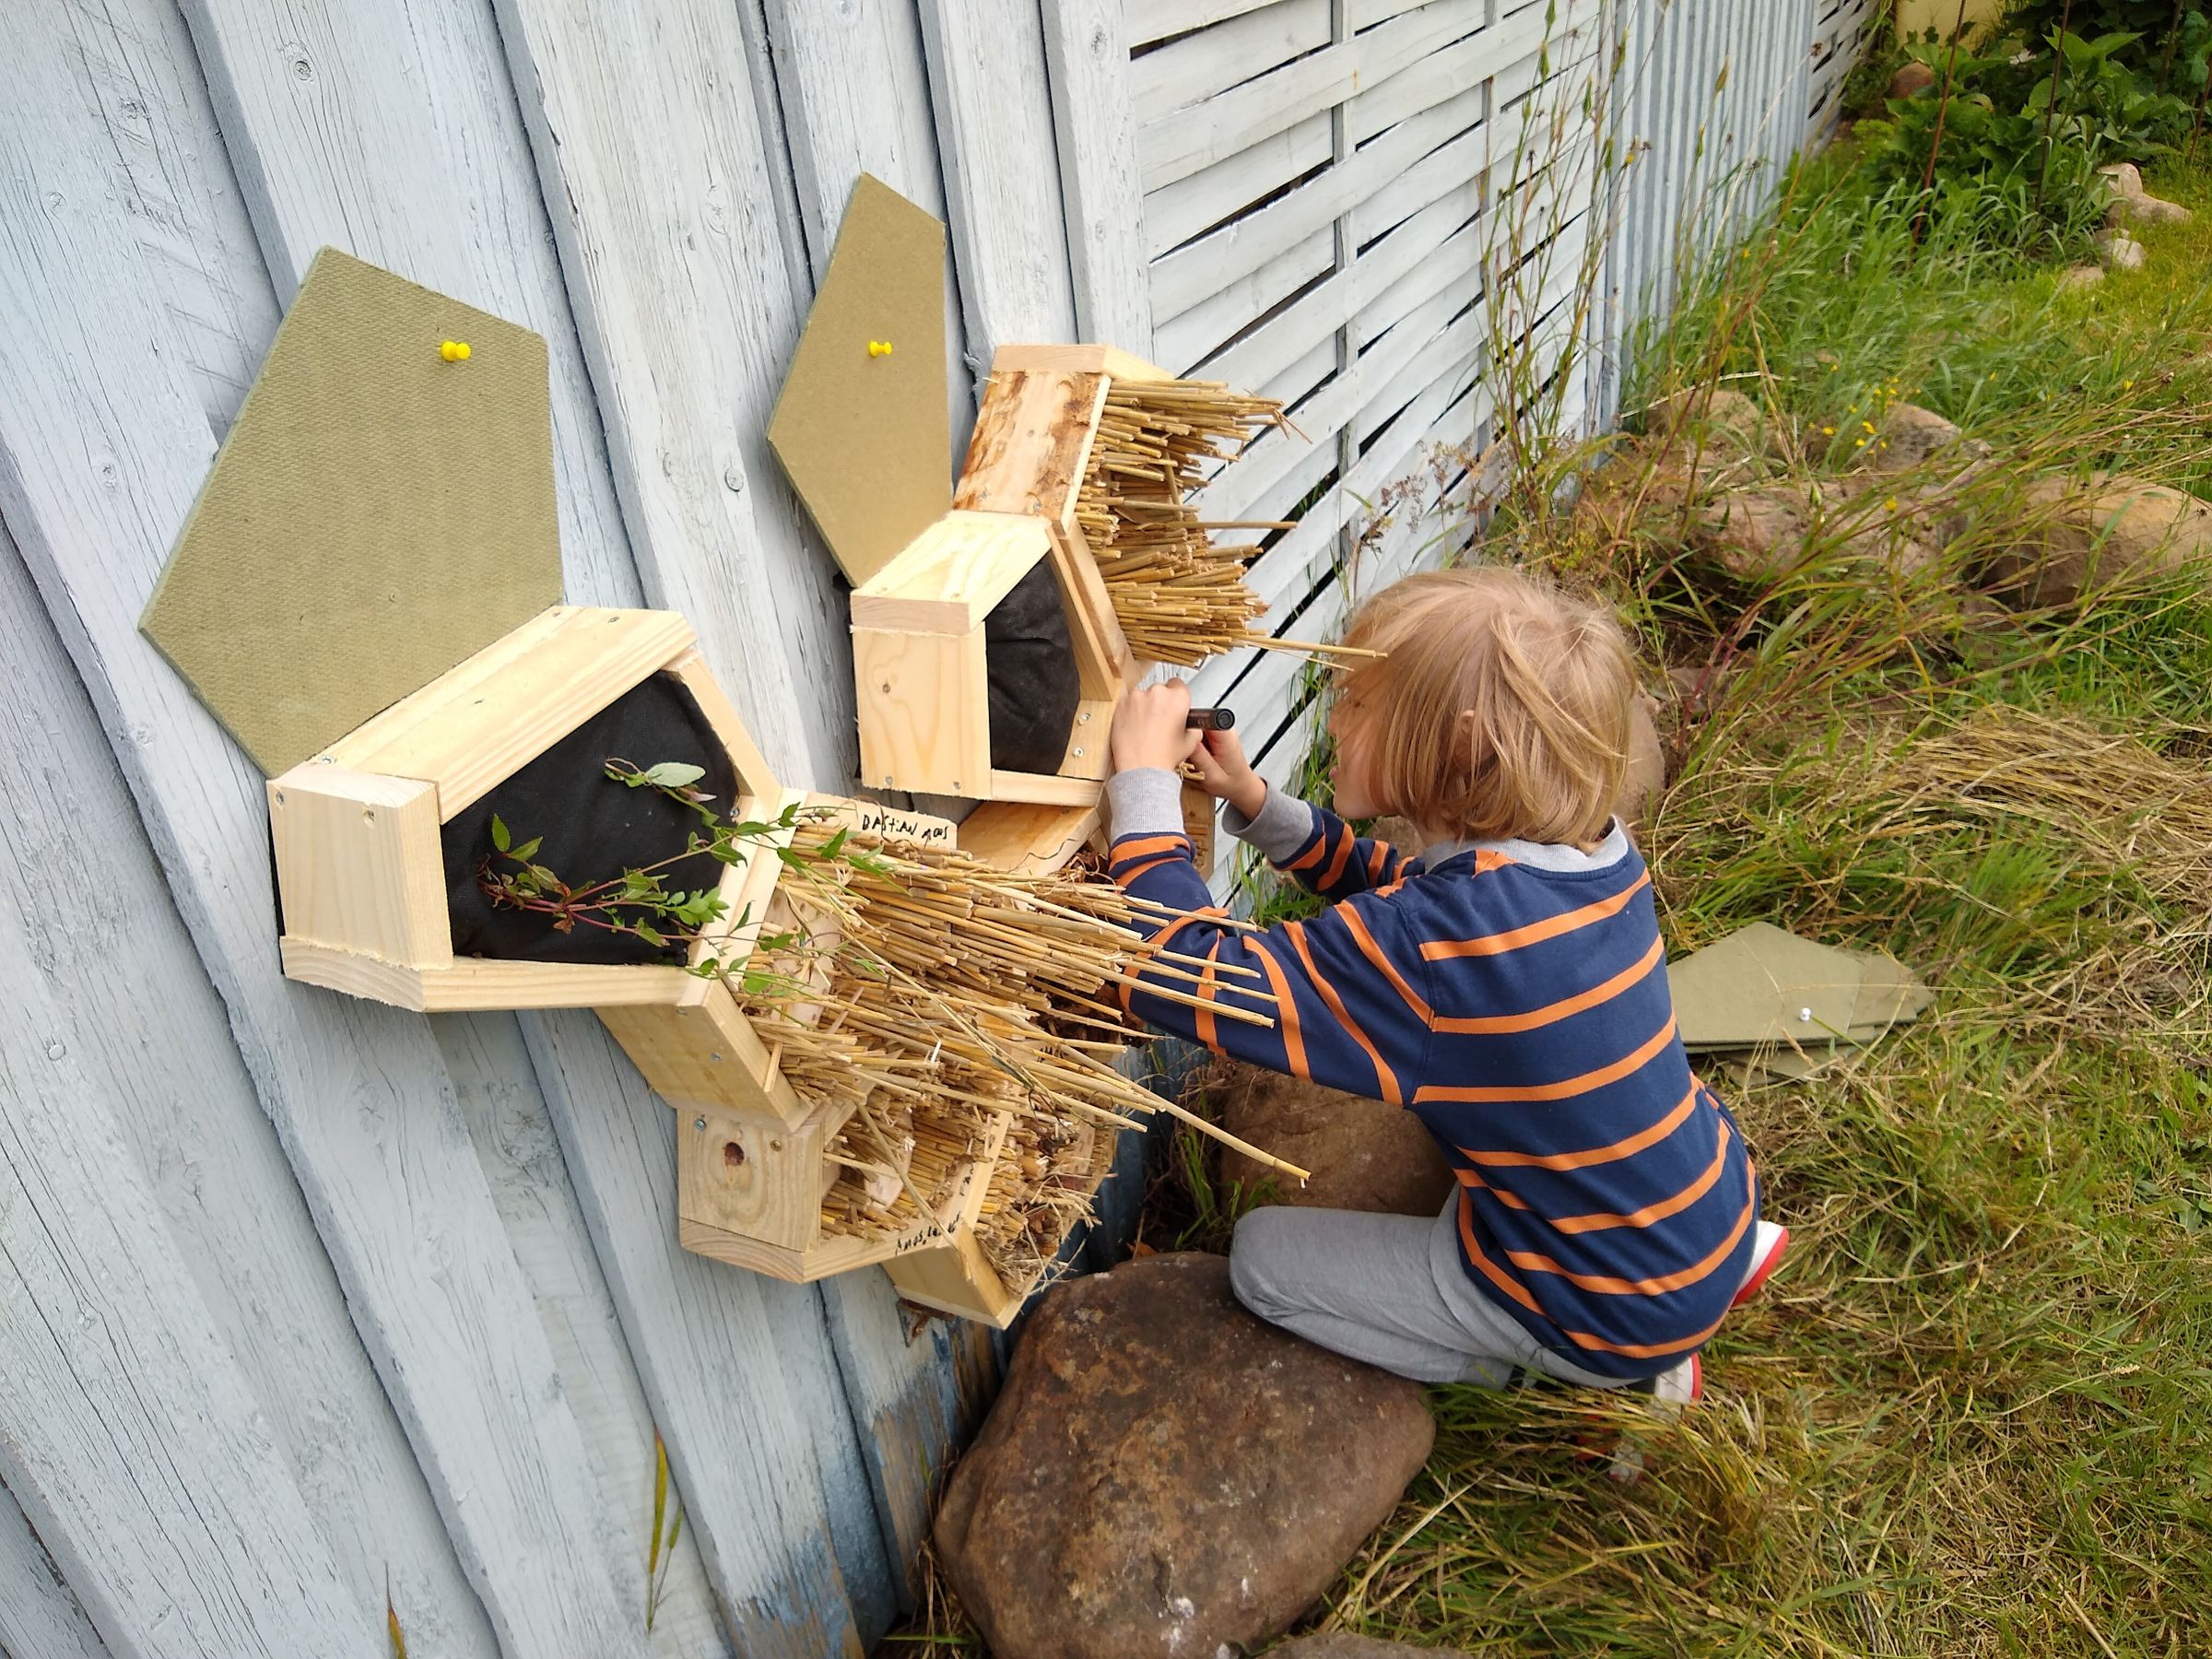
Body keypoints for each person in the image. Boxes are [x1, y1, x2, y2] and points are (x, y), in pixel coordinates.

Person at [1102, 566, 1786, 1406]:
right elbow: (1400, 891)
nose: (1336, 720)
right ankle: (1691, 1279)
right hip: (1704, 1198)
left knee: (1262, 1262)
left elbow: (1182, 976)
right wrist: (1252, 800)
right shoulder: (1595, 855)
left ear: (1455, 744)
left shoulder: (1441, 946)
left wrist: (1138, 784)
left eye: (1356, 702)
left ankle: (1560, 1370)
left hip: (1603, 1304)